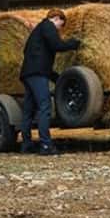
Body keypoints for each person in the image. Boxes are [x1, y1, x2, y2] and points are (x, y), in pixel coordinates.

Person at [19, 9, 81, 156]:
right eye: (61, 24)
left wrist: (55, 77)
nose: (60, 28)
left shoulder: (37, 32)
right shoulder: (47, 26)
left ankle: (26, 145)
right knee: (44, 107)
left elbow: (35, 55)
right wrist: (74, 44)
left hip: (29, 74)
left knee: (28, 110)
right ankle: (46, 145)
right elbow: (57, 45)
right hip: (37, 75)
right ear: (57, 18)